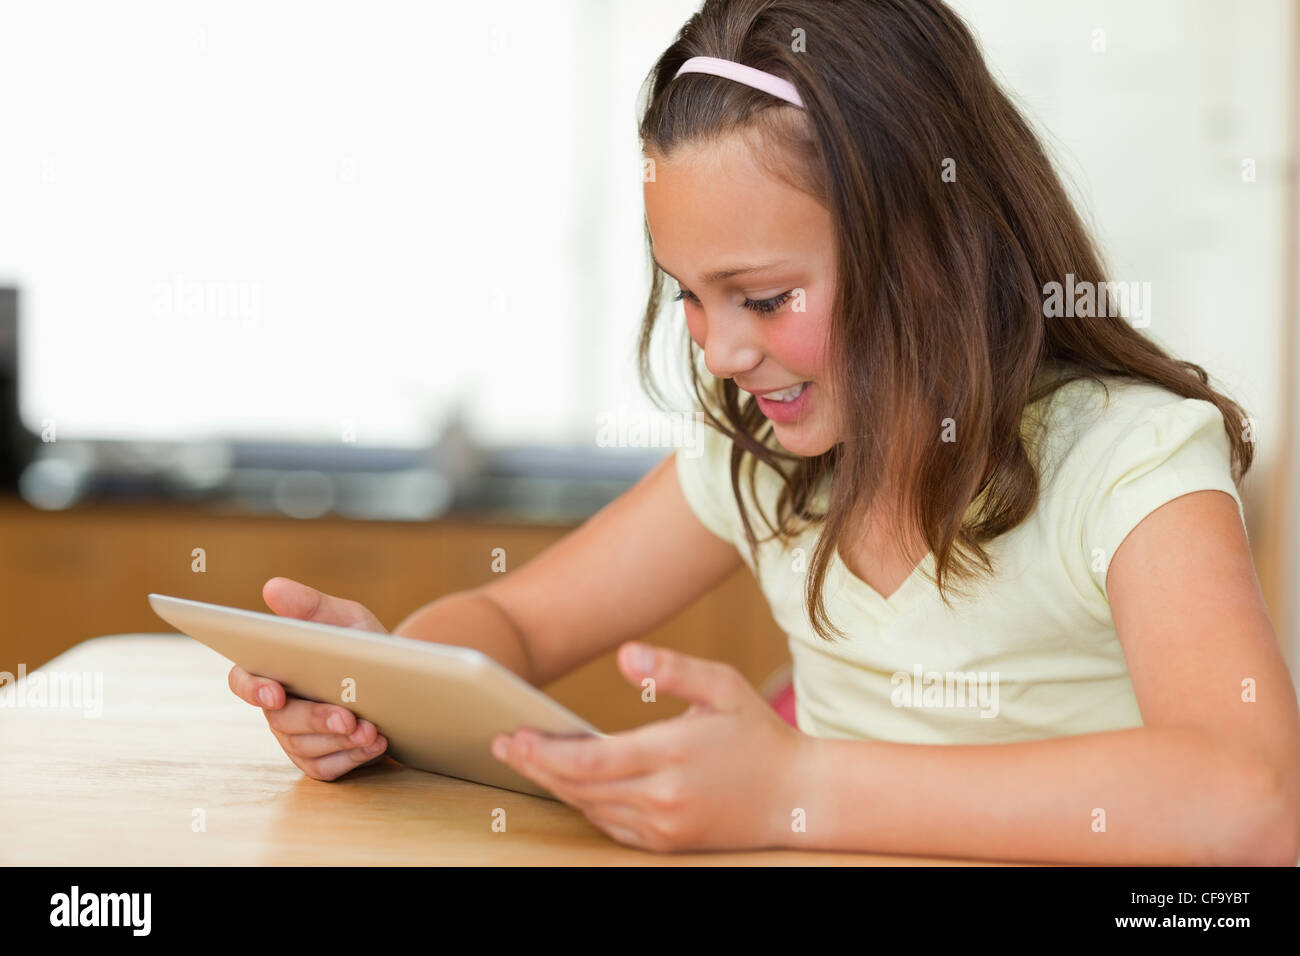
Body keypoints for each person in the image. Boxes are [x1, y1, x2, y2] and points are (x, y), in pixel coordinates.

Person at [227, 0, 1300, 863]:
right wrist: (387, 685)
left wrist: (796, 786)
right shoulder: (757, 464)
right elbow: (511, 617)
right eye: (691, 295)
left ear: (933, 249)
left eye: (764, 296)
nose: (719, 350)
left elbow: (1252, 802)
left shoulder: (1128, 462)